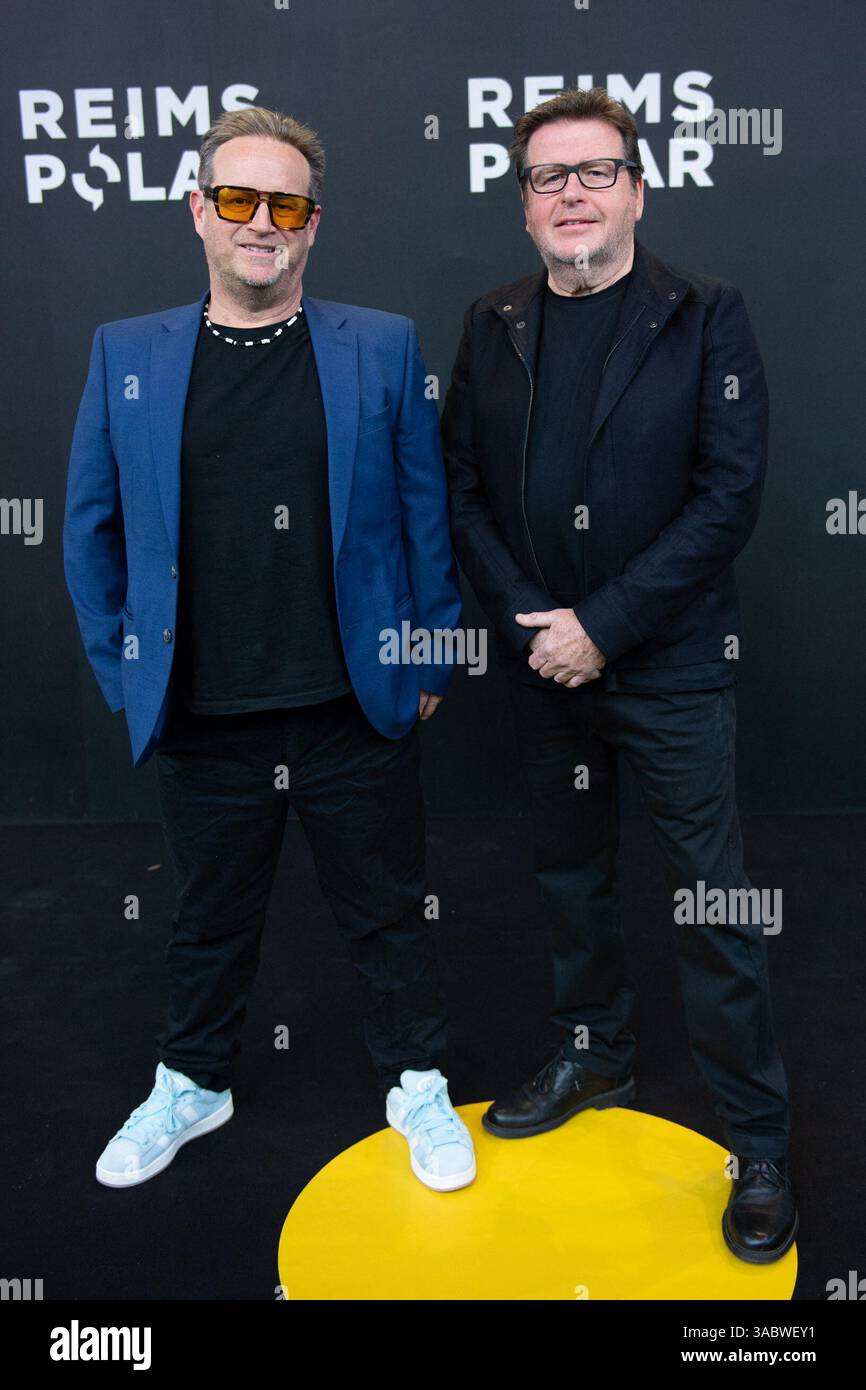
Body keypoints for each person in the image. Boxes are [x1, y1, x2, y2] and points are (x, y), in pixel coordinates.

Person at [63, 105, 474, 1194]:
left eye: (282, 204)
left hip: (352, 699)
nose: (259, 221)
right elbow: (90, 527)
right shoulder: (127, 353)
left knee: (388, 909)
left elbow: (425, 516)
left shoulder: (378, 345)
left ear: (311, 224)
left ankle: (415, 1081)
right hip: (201, 707)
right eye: (236, 199)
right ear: (198, 211)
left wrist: (430, 656)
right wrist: (126, 672)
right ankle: (193, 1081)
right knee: (206, 917)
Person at [441, 86, 797, 1262]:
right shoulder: (490, 320)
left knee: (708, 905)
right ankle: (593, 1044)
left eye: (594, 172)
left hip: (670, 665)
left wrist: (603, 623)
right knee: (567, 879)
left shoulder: (707, 315)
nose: (572, 194)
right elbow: (464, 495)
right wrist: (536, 628)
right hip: (544, 668)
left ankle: (754, 1140)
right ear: (524, 202)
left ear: (636, 190)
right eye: (548, 177)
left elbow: (725, 497)